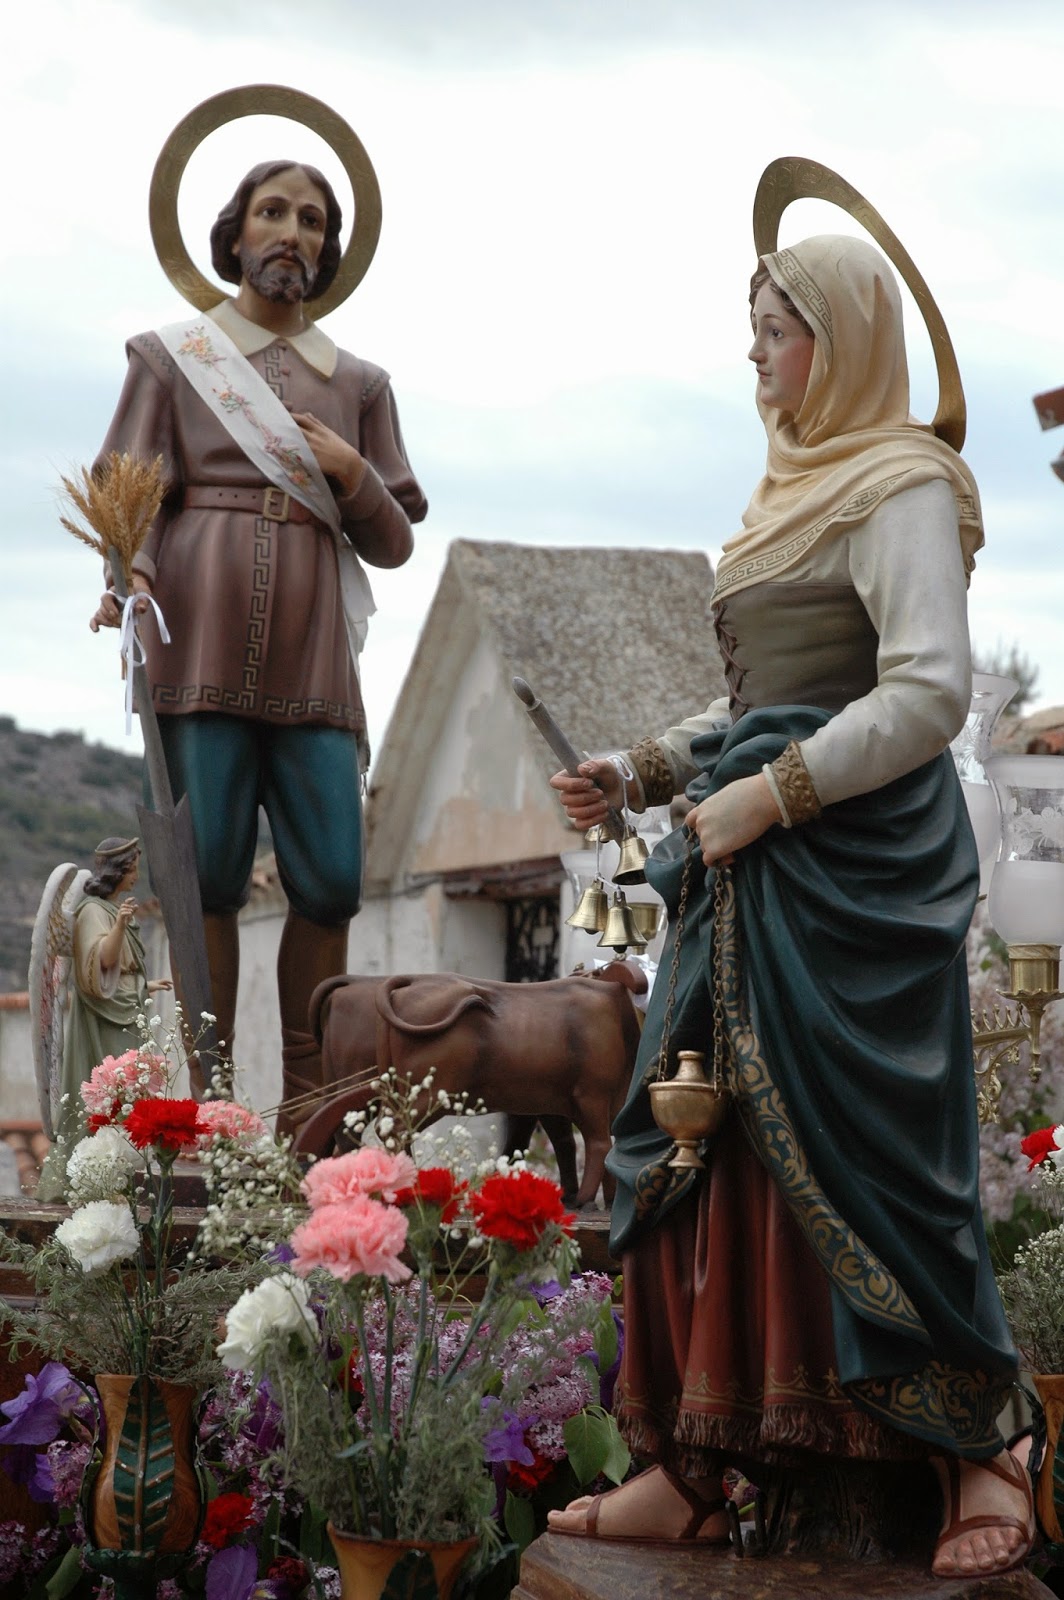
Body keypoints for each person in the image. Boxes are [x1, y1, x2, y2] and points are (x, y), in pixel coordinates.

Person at [546, 235, 1036, 1579]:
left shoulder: (905, 486)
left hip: (858, 867)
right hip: (749, 864)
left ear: (846, 334)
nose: (754, 351)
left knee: (884, 1163)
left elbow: (929, 692)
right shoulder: (781, 502)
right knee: (699, 1143)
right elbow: (762, 697)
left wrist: (774, 798)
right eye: (751, 326)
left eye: (776, 326)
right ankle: (691, 1463)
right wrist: (641, 765)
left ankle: (979, 1450)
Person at [89, 161, 427, 1133]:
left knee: (329, 875)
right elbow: (130, 484)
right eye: (271, 213)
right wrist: (133, 572)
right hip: (196, 641)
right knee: (209, 873)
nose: (291, 233)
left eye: (312, 220)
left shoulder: (359, 385)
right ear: (233, 235)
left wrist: (351, 468)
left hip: (315, 656)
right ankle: (212, 1107)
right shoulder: (171, 358)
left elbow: (394, 537)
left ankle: (310, 1108)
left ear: (329, 248)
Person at [37, 837, 171, 1199]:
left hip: (126, 1005)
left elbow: (123, 971)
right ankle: (91, 1180)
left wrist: (146, 985)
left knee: (129, 1096)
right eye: (132, 870)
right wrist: (119, 927)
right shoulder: (94, 911)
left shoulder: (109, 909)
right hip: (106, 1016)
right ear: (118, 872)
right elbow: (100, 966)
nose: (136, 876)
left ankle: (119, 1179)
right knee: (110, 1094)